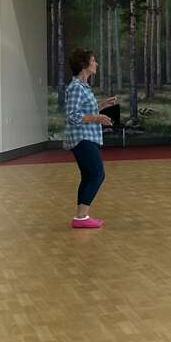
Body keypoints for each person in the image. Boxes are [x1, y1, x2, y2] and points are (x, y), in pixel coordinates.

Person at [64, 48, 116, 229]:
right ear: (83, 65)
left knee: (88, 176)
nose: (96, 64)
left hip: (88, 137)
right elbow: (73, 116)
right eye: (93, 61)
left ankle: (82, 216)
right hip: (82, 138)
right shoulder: (76, 88)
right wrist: (97, 117)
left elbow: (84, 109)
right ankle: (80, 216)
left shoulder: (84, 87)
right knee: (97, 174)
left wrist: (101, 105)